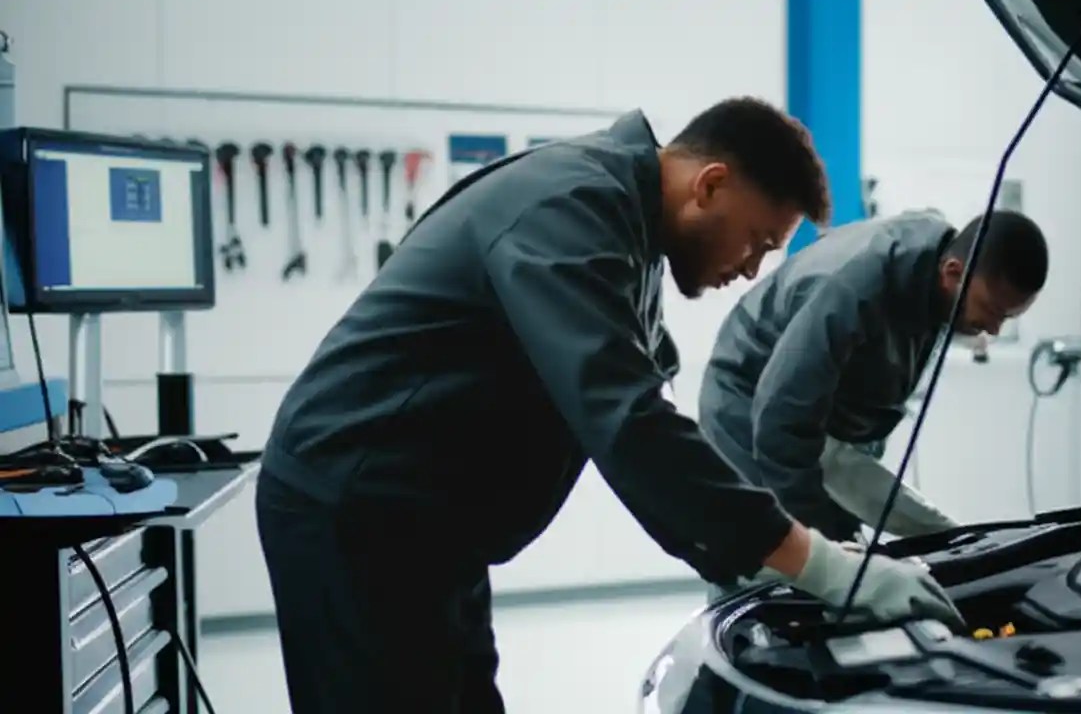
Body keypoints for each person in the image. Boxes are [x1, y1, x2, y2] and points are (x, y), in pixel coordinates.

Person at [254, 98, 965, 714]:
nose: (752, 268)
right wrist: (819, 565)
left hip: (431, 524)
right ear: (711, 184)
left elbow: (651, 420)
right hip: (356, 507)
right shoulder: (568, 209)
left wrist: (760, 549)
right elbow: (628, 424)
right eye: (758, 241)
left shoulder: (627, 231)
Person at [699, 209, 1048, 597]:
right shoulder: (855, 286)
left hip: (810, 419)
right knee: (766, 560)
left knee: (846, 554)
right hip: (747, 401)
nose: (994, 329)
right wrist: (825, 551)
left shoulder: (932, 271)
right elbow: (781, 426)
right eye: (994, 311)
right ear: (952, 273)